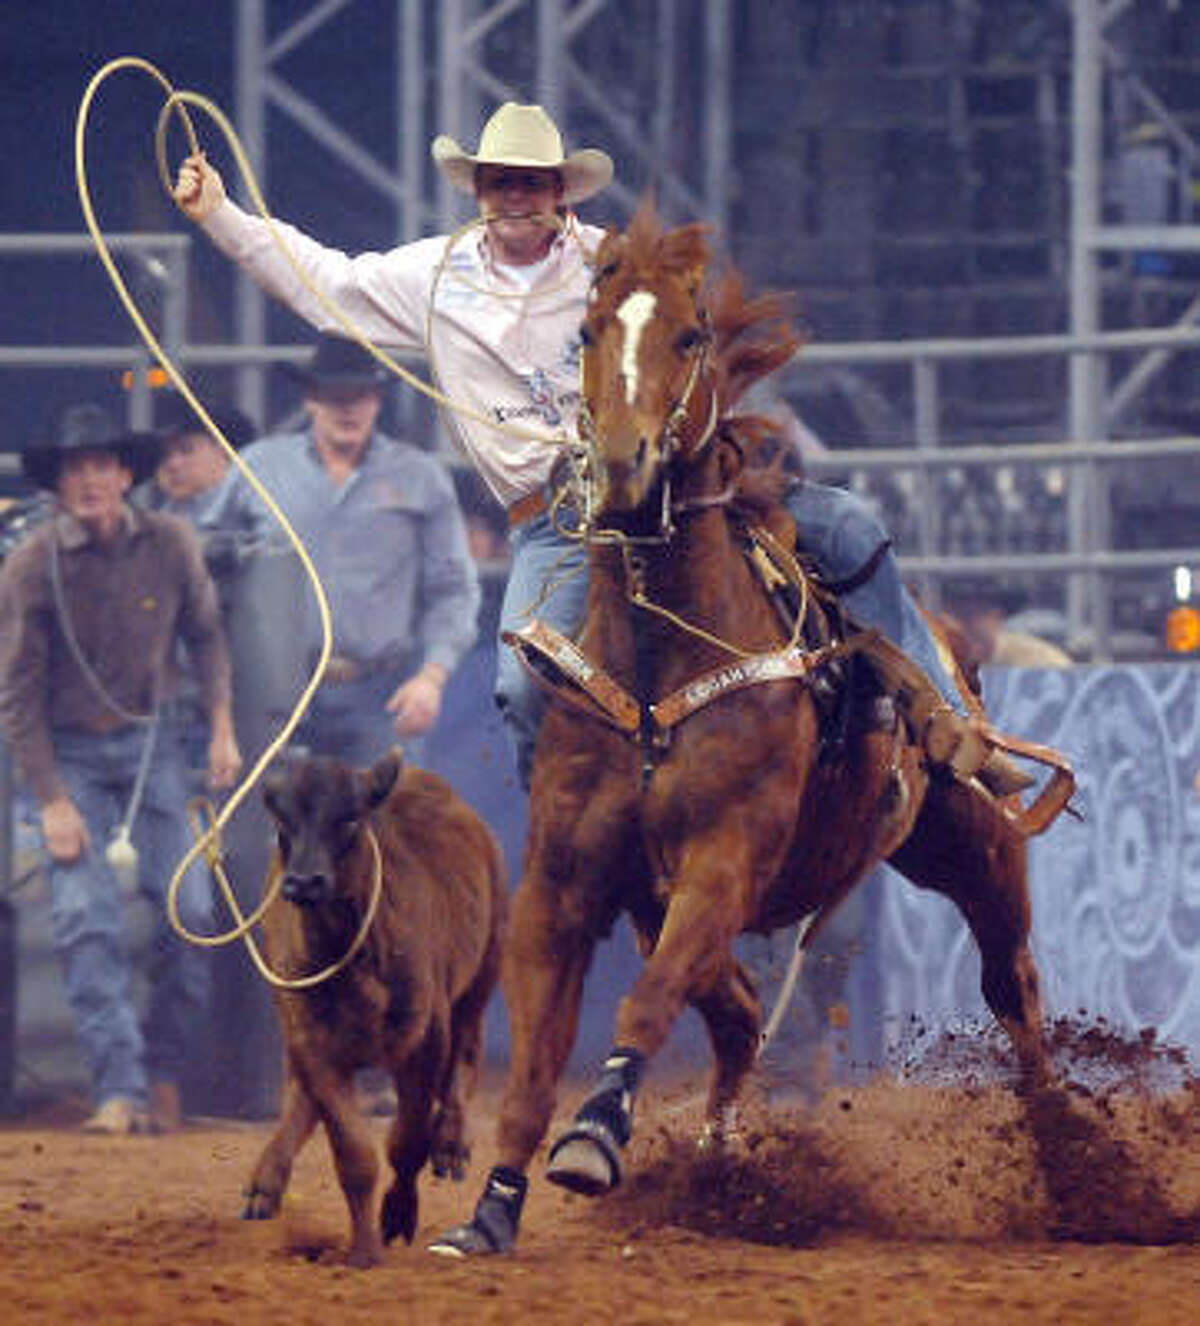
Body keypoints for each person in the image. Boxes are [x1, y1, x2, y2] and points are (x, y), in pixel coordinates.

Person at [174, 101, 989, 793]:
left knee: (844, 524)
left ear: (559, 191)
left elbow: (685, 341)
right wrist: (220, 214)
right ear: (479, 189)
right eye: (501, 182)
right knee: (520, 687)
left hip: (669, 493)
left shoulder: (614, 264)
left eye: (531, 182)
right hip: (554, 520)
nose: (516, 197)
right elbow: (323, 283)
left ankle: (939, 709)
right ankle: (567, 827)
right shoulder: (436, 275)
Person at [0, 403, 242, 1135]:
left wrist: (222, 730)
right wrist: (51, 801)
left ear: (126, 473)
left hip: (155, 749)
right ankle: (119, 1086)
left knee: (193, 911)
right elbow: (17, 694)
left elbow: (206, 637)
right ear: (58, 484)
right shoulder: (32, 564)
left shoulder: (171, 544)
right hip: (68, 756)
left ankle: (163, 1070)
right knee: (83, 917)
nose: (90, 480)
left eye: (102, 465)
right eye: (76, 468)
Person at [201, 333, 480, 768]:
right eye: (335, 396)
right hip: (274, 691)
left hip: (382, 691)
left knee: (384, 831)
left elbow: (454, 588)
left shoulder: (421, 478)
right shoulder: (259, 467)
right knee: (268, 830)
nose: (348, 408)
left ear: (377, 401)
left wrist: (432, 677)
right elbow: (202, 561)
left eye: (360, 395)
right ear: (311, 399)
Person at [137, 390, 257, 527]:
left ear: (226, 453)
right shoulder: (157, 524)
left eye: (186, 450)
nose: (172, 464)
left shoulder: (256, 517)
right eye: (163, 454)